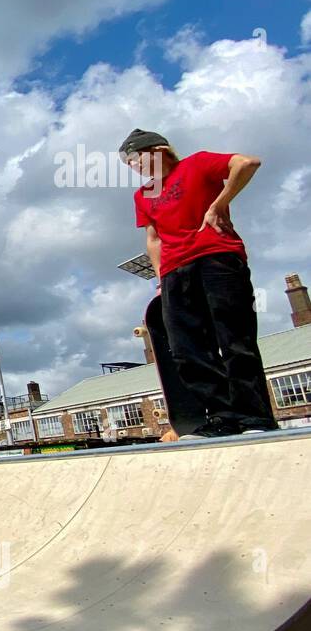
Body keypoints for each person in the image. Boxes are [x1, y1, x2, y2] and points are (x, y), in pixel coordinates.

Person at [122, 129, 278, 438]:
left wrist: (220, 202)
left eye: (137, 159)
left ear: (158, 150)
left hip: (217, 257)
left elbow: (247, 163)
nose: (135, 167)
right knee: (185, 348)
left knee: (234, 337)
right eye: (129, 164)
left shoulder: (196, 164)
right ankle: (222, 416)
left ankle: (255, 418)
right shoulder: (143, 195)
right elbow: (153, 239)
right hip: (174, 271)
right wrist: (160, 280)